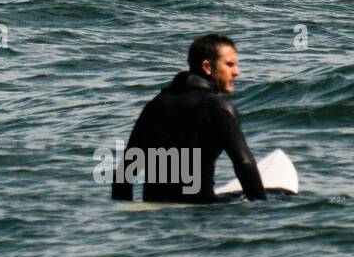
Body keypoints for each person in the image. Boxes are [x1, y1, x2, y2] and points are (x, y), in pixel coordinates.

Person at [111, 34, 265, 202]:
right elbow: (244, 163)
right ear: (207, 66)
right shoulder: (219, 107)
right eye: (229, 65)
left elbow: (126, 170)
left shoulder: (155, 105)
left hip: (155, 212)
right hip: (199, 213)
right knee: (279, 195)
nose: (236, 72)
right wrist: (261, 210)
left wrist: (123, 212)